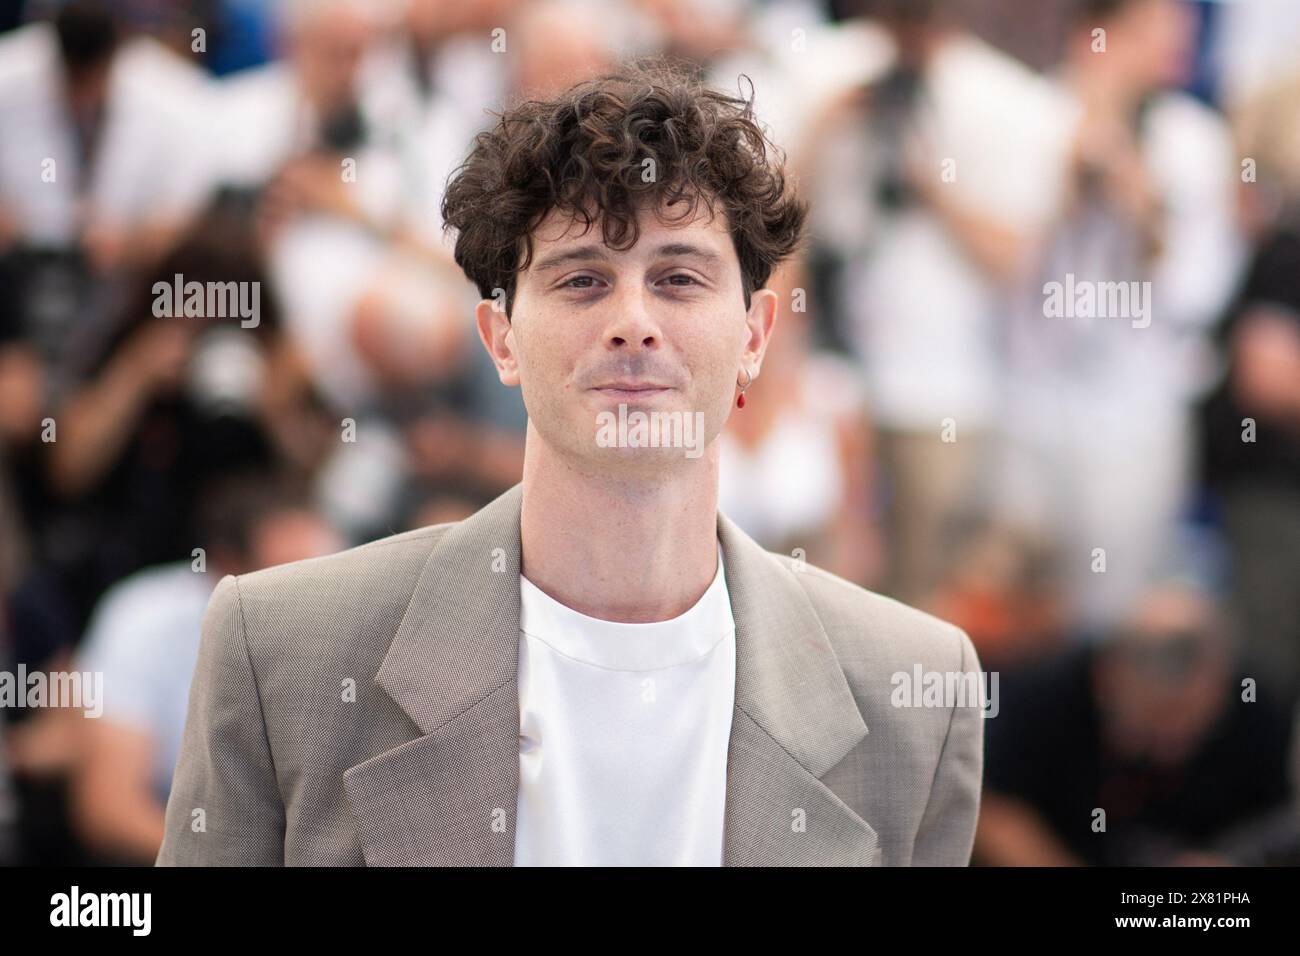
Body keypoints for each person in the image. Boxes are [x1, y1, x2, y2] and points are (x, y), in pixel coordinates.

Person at [158, 61, 984, 867]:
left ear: (757, 336)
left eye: (680, 278)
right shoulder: (282, 652)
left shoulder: (912, 693)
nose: (633, 321)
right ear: (501, 339)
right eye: (583, 279)